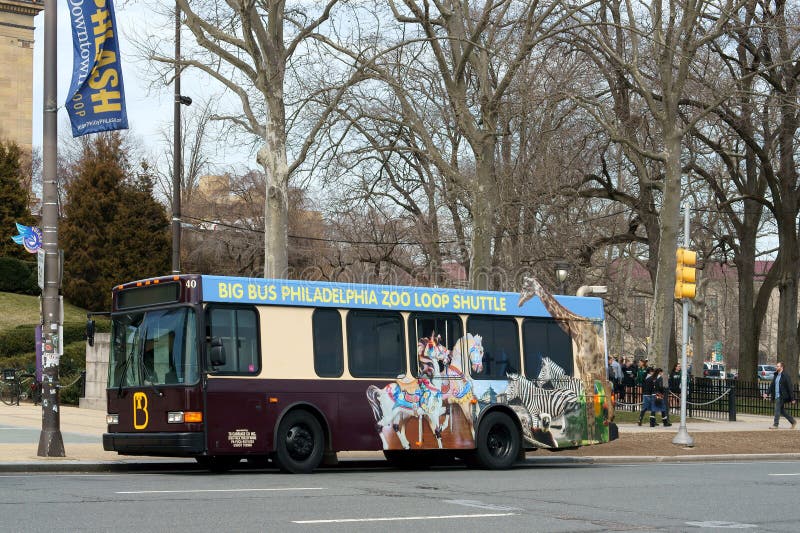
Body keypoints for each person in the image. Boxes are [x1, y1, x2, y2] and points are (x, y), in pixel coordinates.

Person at [762, 361, 796, 429]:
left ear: (782, 367)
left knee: (777, 409)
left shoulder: (785, 376)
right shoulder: (776, 375)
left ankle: (775, 424)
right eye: (776, 366)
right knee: (782, 411)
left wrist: (792, 399)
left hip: (782, 396)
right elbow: (772, 385)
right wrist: (766, 393)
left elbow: (790, 387)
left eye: (778, 366)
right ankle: (793, 421)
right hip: (776, 396)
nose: (776, 367)